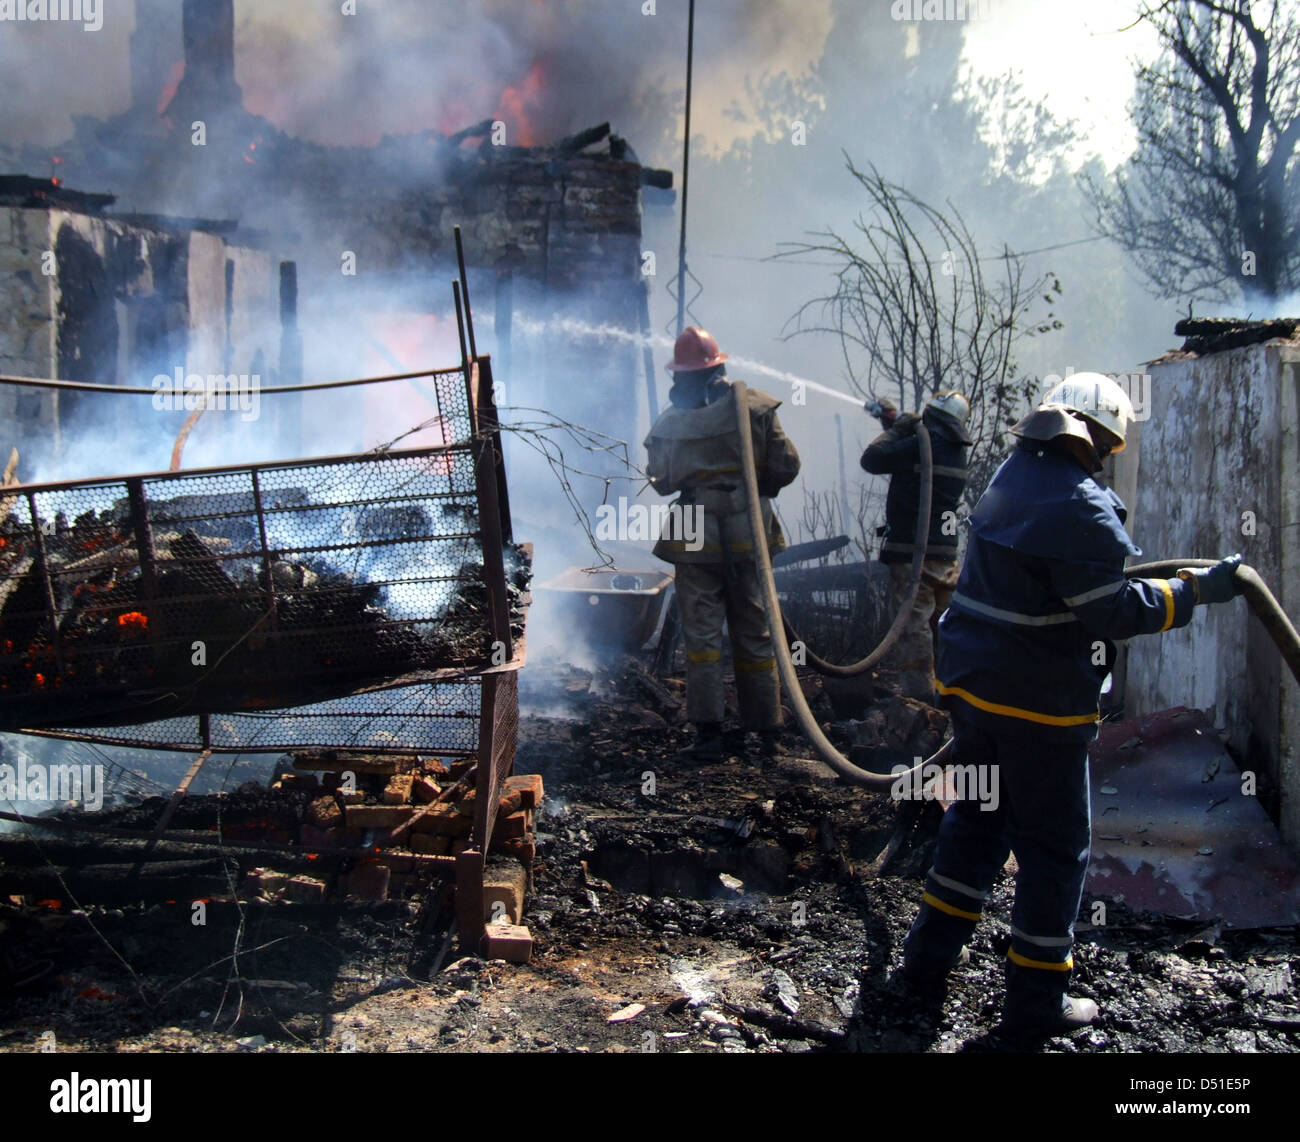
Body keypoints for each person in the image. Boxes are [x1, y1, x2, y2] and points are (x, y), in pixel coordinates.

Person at [900, 373, 1243, 1036]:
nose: (1105, 457)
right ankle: (1036, 1003)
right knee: (1056, 849)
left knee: (975, 825)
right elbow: (1113, 611)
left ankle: (925, 962)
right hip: (1037, 711)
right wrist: (1196, 593)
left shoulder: (1011, 476)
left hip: (973, 691)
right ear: (1096, 438)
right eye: (1106, 446)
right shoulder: (1083, 506)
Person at [645, 327, 801, 762]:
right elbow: (786, 465)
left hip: (695, 528)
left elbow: (658, 481)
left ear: (683, 376)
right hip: (748, 526)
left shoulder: (670, 424)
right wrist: (750, 488)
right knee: (754, 628)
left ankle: (709, 736)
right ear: (719, 365)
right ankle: (767, 730)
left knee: (702, 633)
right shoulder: (757, 407)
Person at [860, 391, 972, 701]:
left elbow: (871, 459)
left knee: (913, 630)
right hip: (945, 557)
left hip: (914, 557)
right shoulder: (953, 448)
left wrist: (896, 429)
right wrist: (893, 421)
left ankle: (922, 707)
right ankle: (953, 702)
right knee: (944, 629)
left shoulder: (921, 444)